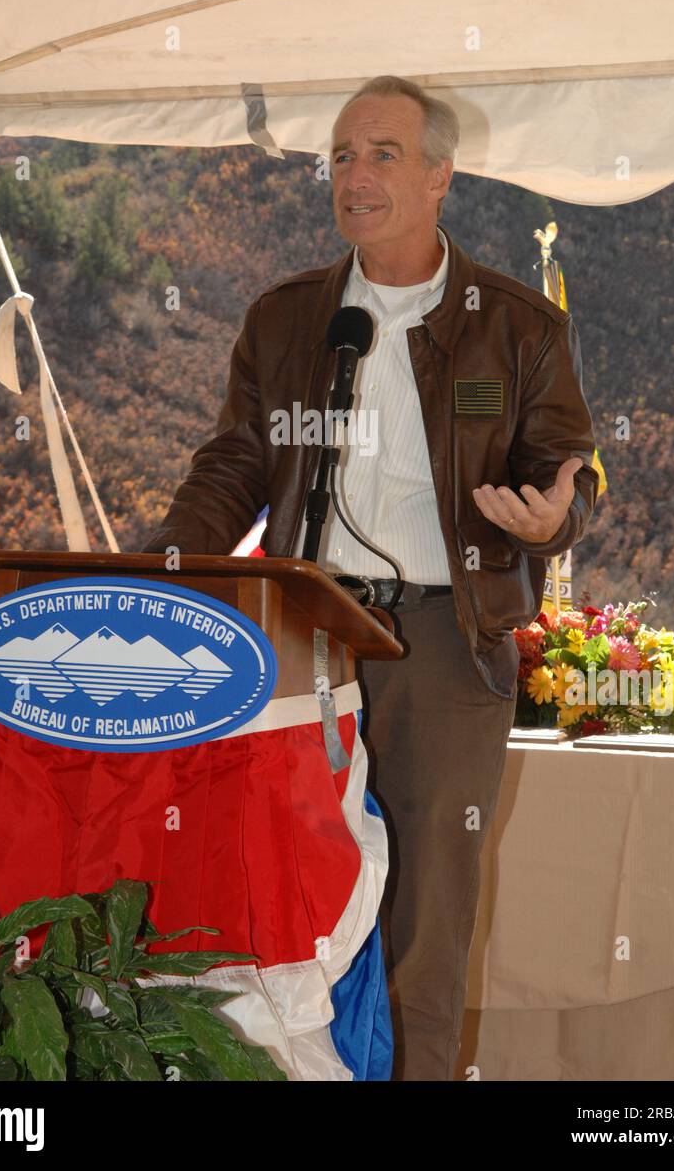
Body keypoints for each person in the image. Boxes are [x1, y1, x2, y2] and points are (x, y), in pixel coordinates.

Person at [141, 74, 599, 1080]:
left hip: (443, 645)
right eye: (340, 156)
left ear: (440, 175)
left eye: (382, 154)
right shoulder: (289, 317)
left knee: (423, 916)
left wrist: (555, 515)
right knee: (280, 896)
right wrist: (167, 570)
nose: (354, 176)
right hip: (304, 627)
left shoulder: (517, 326)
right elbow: (233, 466)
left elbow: (569, 470)